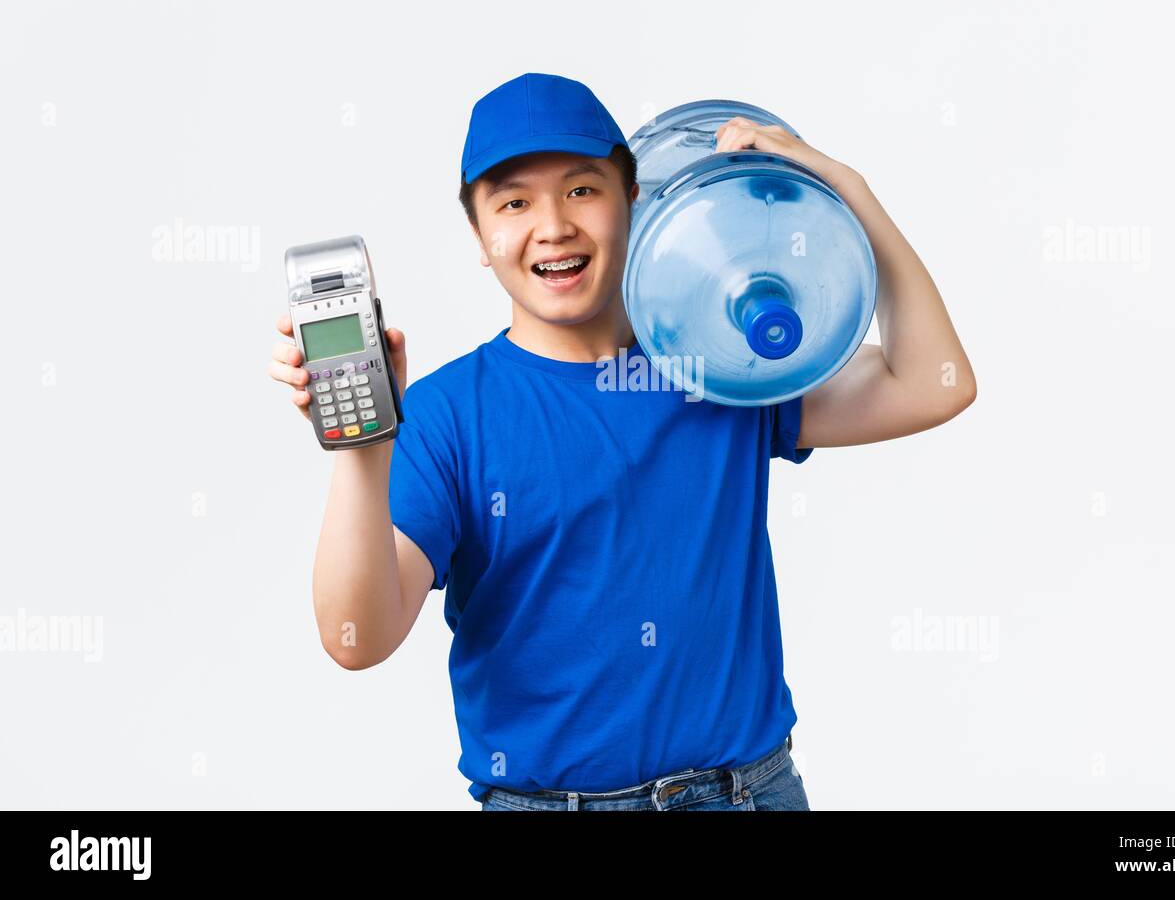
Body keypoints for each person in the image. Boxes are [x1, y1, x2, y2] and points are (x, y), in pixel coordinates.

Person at [268, 72, 976, 811]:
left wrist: (846, 189)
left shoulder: (718, 363)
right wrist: (362, 452)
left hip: (746, 795)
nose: (553, 226)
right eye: (513, 203)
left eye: (582, 190)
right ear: (481, 239)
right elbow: (358, 638)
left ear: (635, 202)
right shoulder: (447, 414)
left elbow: (936, 382)